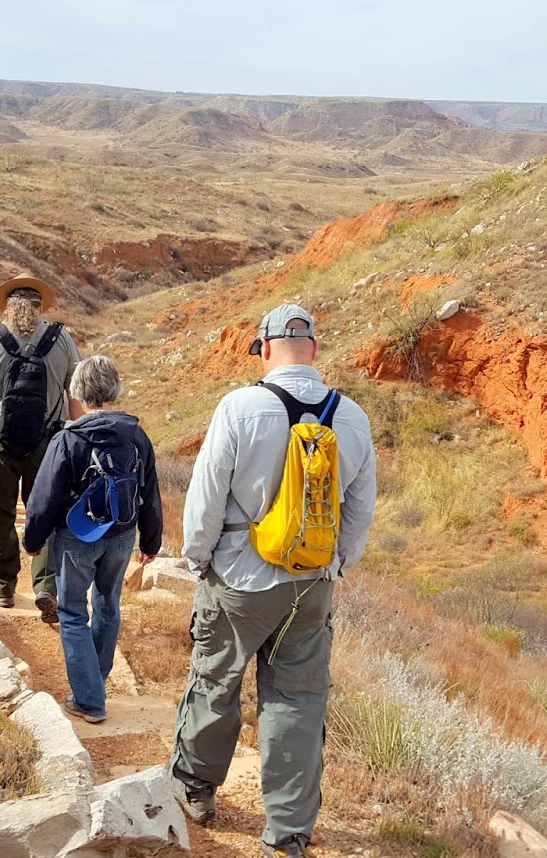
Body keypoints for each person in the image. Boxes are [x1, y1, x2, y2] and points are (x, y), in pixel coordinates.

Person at [168, 304, 377, 858]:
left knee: (217, 682)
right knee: (298, 701)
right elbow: (360, 509)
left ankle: (196, 790)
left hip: (238, 576)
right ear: (314, 349)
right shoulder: (352, 416)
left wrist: (198, 560)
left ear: (264, 348)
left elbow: (207, 495)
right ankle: (287, 832)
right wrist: (337, 565)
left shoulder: (240, 407)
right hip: (311, 583)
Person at [22, 355, 163, 724]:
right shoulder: (136, 435)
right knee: (108, 606)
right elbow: (150, 492)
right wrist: (151, 542)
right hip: (122, 535)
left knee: (71, 612)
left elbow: (45, 497)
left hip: (76, 537)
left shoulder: (68, 438)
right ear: (114, 389)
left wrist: (33, 540)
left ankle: (89, 699)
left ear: (78, 392)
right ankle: (95, 681)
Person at [0, 276, 83, 623]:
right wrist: (75, 436)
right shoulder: (62, 340)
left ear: (8, 307)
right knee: (46, 514)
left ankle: (2, 587)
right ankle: (46, 586)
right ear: (39, 307)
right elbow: (75, 395)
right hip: (48, 443)